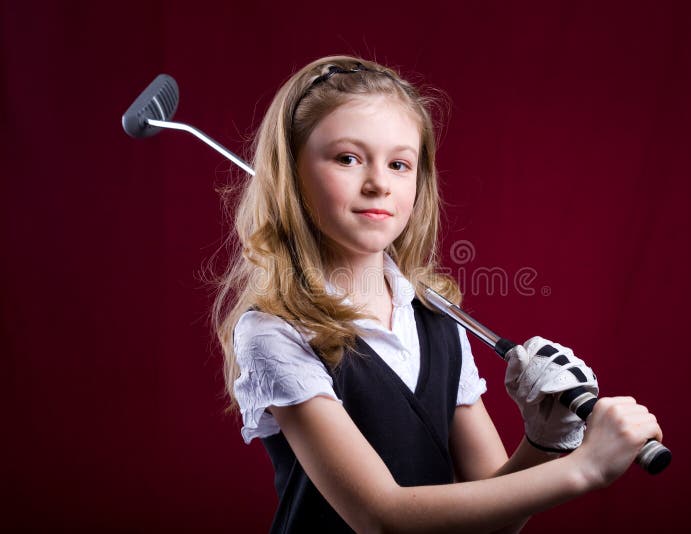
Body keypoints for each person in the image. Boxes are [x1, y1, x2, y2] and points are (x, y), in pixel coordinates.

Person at [211, 55, 662, 533]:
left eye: (400, 164)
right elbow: (381, 517)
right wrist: (584, 468)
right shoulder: (274, 333)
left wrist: (544, 441)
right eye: (347, 158)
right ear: (290, 177)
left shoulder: (437, 317)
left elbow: (493, 516)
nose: (378, 183)